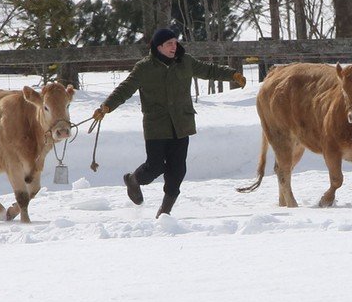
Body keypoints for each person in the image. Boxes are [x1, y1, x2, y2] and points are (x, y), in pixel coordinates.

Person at [94, 28, 247, 217]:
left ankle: (164, 214)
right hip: (156, 126)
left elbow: (209, 70)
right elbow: (125, 88)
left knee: (177, 170)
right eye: (169, 44)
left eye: (175, 42)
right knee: (154, 167)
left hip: (181, 124)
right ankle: (133, 180)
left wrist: (232, 75)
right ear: (158, 47)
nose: (174, 46)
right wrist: (107, 106)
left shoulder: (185, 61)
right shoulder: (144, 67)